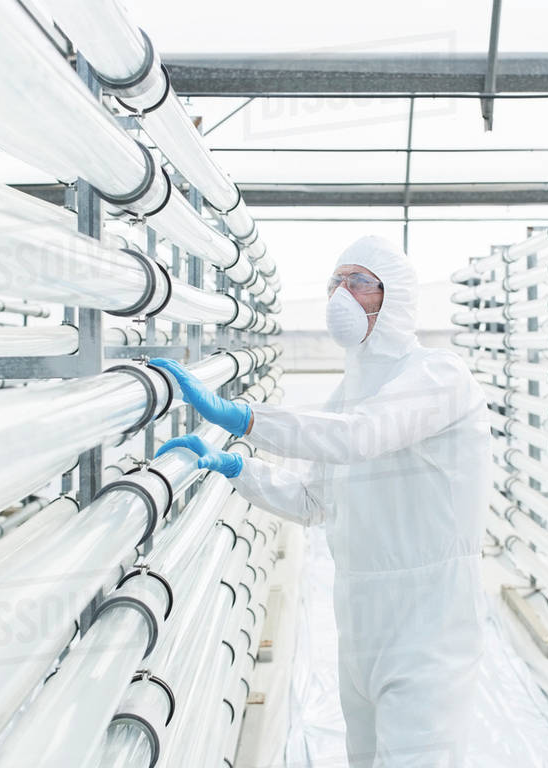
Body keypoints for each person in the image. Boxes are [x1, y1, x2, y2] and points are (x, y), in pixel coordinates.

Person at [152, 235, 489, 767]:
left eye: (359, 283)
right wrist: (240, 469)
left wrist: (243, 417)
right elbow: (315, 501)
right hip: (359, 620)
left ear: (394, 297)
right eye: (336, 281)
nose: (342, 295)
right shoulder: (347, 394)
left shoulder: (438, 375)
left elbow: (359, 436)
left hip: (429, 623)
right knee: (364, 756)